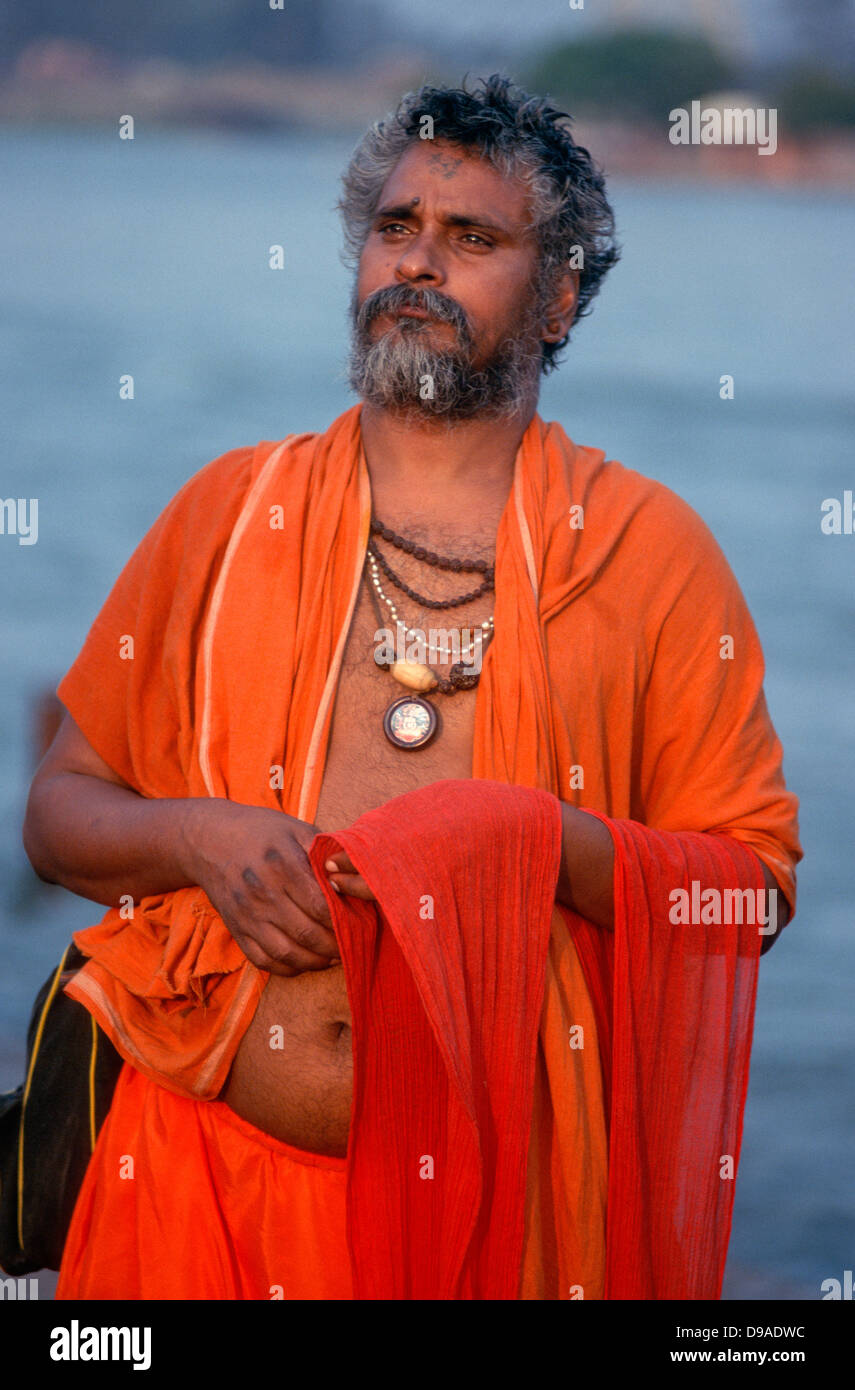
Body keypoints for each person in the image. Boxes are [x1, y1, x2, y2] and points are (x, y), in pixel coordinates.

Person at [22, 75, 801, 1300]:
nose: (420, 264)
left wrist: (532, 842)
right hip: (197, 1192)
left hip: (502, 1228)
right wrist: (197, 836)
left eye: (472, 238)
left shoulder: (650, 554)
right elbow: (58, 812)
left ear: (555, 298)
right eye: (397, 229)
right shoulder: (232, 511)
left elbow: (747, 896)